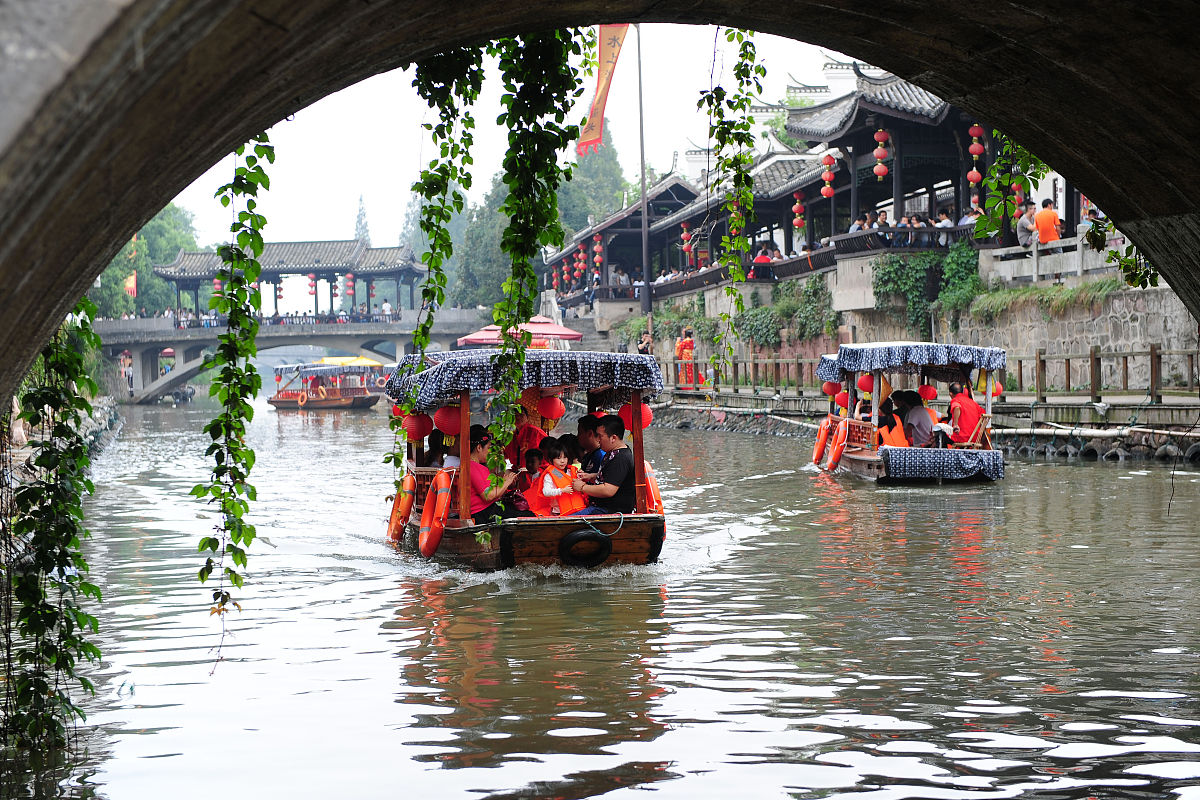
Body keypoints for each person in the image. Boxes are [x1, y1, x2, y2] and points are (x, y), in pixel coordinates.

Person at [571, 415, 636, 515]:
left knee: (567, 520)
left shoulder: (621, 457)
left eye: (600, 436)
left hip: (608, 510)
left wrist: (582, 487)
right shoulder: (613, 453)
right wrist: (591, 477)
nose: (598, 440)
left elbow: (608, 490)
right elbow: (610, 477)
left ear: (613, 438)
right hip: (600, 507)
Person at [466, 425, 519, 521]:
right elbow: (488, 496)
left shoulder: (472, 465)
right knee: (527, 515)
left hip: (486, 510)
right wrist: (507, 481)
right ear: (479, 447)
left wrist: (505, 481)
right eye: (489, 448)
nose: (490, 452)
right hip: (482, 513)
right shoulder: (473, 466)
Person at [525, 438, 587, 516]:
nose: (562, 461)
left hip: (577, 510)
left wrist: (581, 477)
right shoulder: (550, 474)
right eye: (558, 458)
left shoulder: (572, 471)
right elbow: (546, 492)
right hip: (558, 513)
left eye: (565, 457)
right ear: (551, 461)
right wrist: (562, 490)